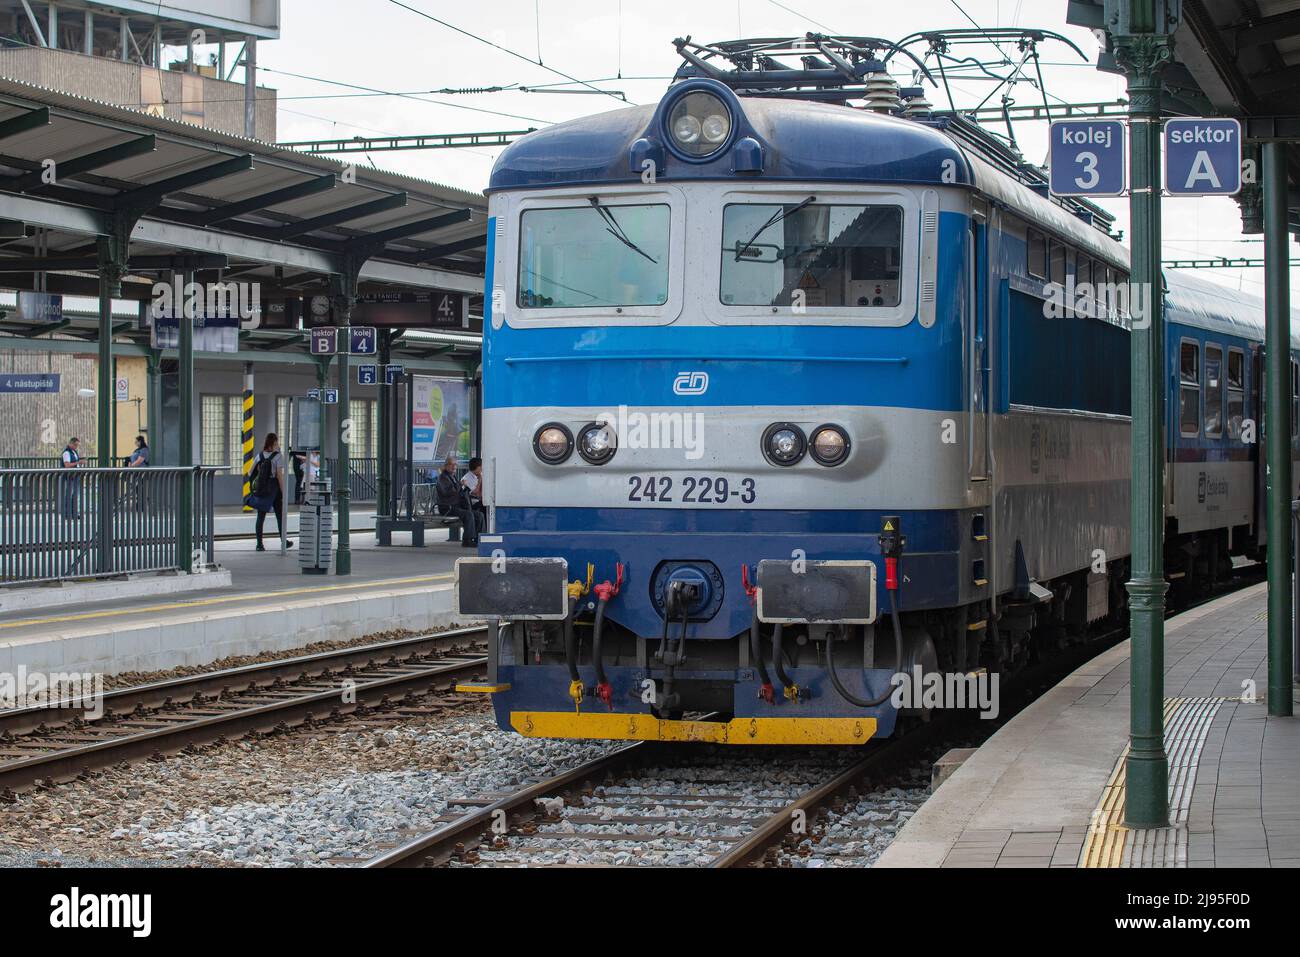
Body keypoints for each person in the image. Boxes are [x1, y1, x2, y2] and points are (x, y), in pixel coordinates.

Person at [250, 432, 294, 552]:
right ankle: (284, 542)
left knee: (260, 517)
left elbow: (250, 472)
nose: (278, 445)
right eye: (277, 443)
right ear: (274, 443)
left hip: (263, 488)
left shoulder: (259, 456)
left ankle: (259, 545)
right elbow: (279, 476)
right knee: (280, 516)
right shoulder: (278, 456)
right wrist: (284, 492)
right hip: (274, 488)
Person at [435, 454, 476, 547]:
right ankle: (467, 540)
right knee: (468, 514)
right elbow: (449, 492)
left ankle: (477, 539)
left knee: (479, 515)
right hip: (447, 508)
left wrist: (465, 489)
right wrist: (460, 484)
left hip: (455, 506)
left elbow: (459, 492)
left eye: (455, 464)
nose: (454, 466)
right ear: (446, 466)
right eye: (451, 464)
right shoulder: (443, 477)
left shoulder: (452, 477)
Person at [461, 456, 487, 533]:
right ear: (478, 467)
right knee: (484, 508)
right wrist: (480, 480)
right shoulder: (467, 478)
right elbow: (475, 492)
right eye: (482, 467)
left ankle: (484, 531)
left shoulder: (477, 476)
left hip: (477, 502)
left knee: (486, 507)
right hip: (470, 504)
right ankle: (481, 533)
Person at [59, 436, 82, 520]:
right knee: (69, 495)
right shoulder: (66, 453)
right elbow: (67, 465)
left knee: (75, 495)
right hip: (70, 476)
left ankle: (74, 513)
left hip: (76, 476)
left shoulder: (74, 452)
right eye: (75, 445)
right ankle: (67, 513)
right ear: (71, 443)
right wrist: (78, 462)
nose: (76, 447)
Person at [126, 435, 149, 511]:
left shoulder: (144, 450)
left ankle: (142, 505)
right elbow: (131, 458)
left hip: (141, 472)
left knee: (141, 488)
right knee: (137, 489)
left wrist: (132, 466)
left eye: (136, 441)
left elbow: (140, 460)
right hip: (135, 472)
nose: (135, 443)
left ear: (140, 441)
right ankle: (138, 504)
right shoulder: (136, 450)